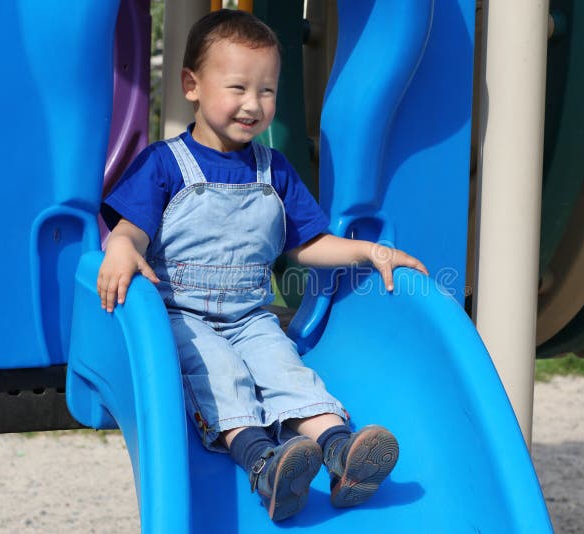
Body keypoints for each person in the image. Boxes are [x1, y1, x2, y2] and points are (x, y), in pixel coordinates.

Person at [97, 9, 428, 522]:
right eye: (238, 88)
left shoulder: (275, 170)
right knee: (219, 374)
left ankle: (341, 452)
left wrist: (366, 251)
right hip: (181, 315)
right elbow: (133, 229)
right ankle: (263, 463)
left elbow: (308, 243)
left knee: (286, 369)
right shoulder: (163, 163)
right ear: (192, 85)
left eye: (267, 91)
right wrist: (120, 244)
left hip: (252, 316)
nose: (253, 104)